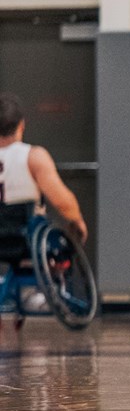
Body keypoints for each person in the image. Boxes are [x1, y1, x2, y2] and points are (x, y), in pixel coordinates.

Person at [0, 93, 88, 312]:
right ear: (21, 125)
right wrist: (77, 222)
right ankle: (51, 287)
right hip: (24, 239)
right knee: (61, 237)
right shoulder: (33, 156)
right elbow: (63, 203)